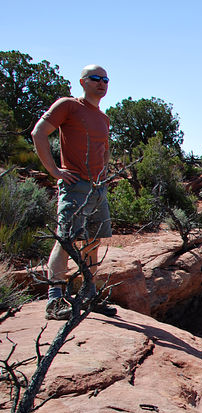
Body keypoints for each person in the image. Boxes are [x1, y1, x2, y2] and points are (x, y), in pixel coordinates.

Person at [31, 64, 117, 320]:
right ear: (82, 82)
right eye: (95, 78)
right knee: (66, 240)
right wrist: (54, 170)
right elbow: (39, 133)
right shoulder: (68, 106)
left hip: (97, 187)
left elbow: (105, 148)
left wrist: (106, 174)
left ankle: (89, 296)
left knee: (93, 242)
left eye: (105, 79)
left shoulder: (103, 118)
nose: (102, 83)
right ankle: (54, 300)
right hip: (75, 184)